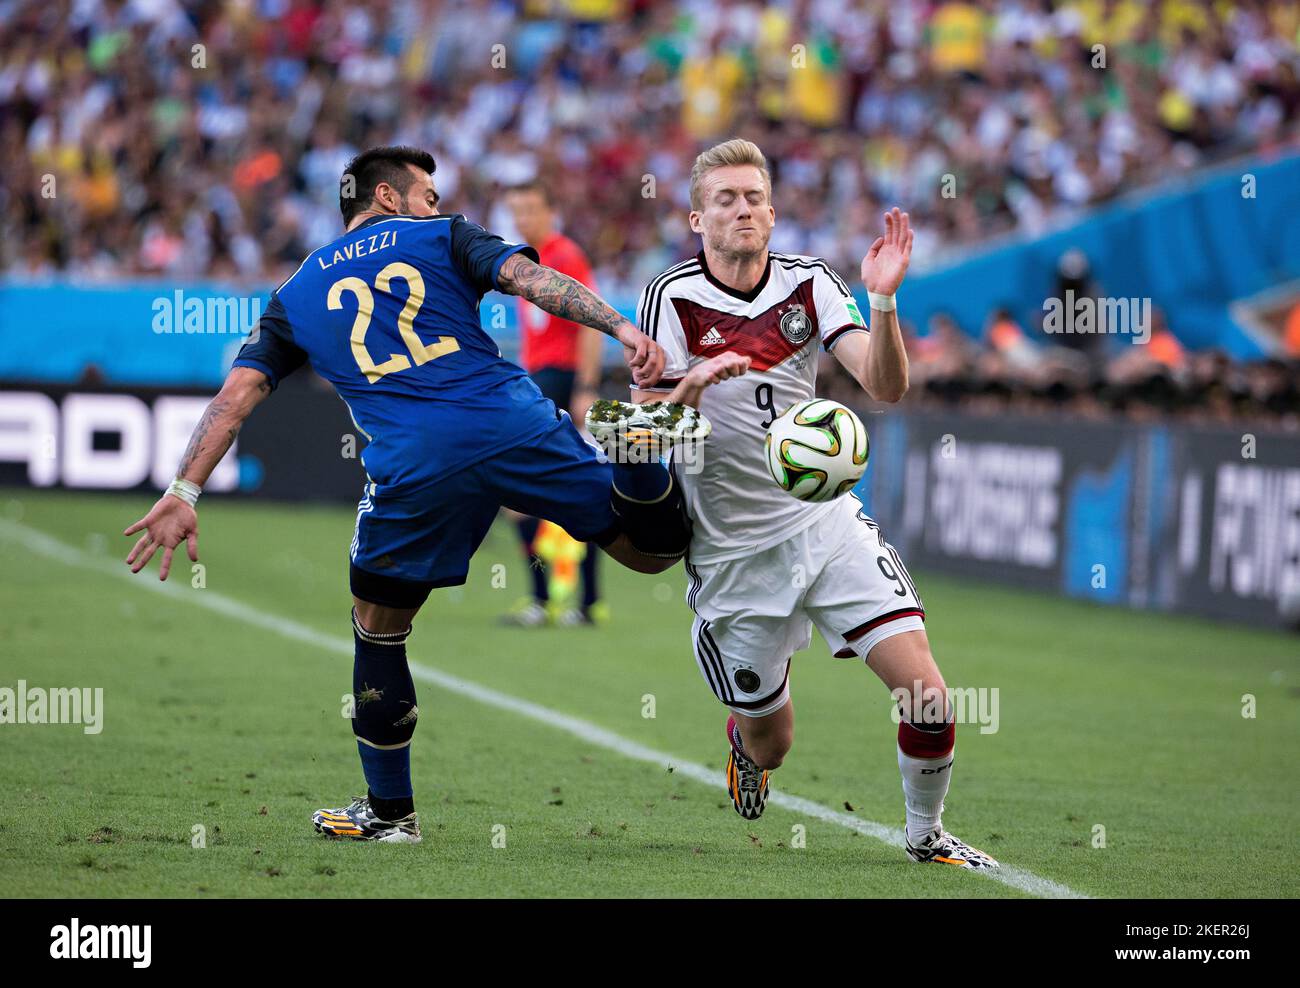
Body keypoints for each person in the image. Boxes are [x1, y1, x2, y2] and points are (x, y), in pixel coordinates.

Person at [122, 145, 745, 844]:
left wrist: (184, 489)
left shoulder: (294, 295)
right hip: (510, 421)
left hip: (416, 463)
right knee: (651, 551)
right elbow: (532, 279)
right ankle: (638, 450)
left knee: (378, 626)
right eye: (427, 193)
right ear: (386, 198)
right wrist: (623, 328)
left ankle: (391, 814)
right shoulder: (445, 236)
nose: (436, 205)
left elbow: (237, 396)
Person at [620, 138, 997, 868]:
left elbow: (885, 387)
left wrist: (882, 301)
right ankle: (746, 744)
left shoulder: (811, 285)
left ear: (772, 210)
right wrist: (693, 388)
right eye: (725, 199)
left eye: (755, 198)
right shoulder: (671, 298)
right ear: (697, 218)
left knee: (928, 695)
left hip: (826, 526)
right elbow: (641, 435)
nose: (743, 210)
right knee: (774, 741)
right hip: (732, 553)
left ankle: (927, 835)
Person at [499, 182, 605, 627]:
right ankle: (567, 602)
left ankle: (567, 602)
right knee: (530, 496)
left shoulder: (564, 255)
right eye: (516, 211)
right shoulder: (522, 260)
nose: (523, 219)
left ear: (550, 211)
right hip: (539, 380)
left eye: (530, 209)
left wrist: (585, 386)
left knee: (548, 492)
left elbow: (592, 323)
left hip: (560, 380)